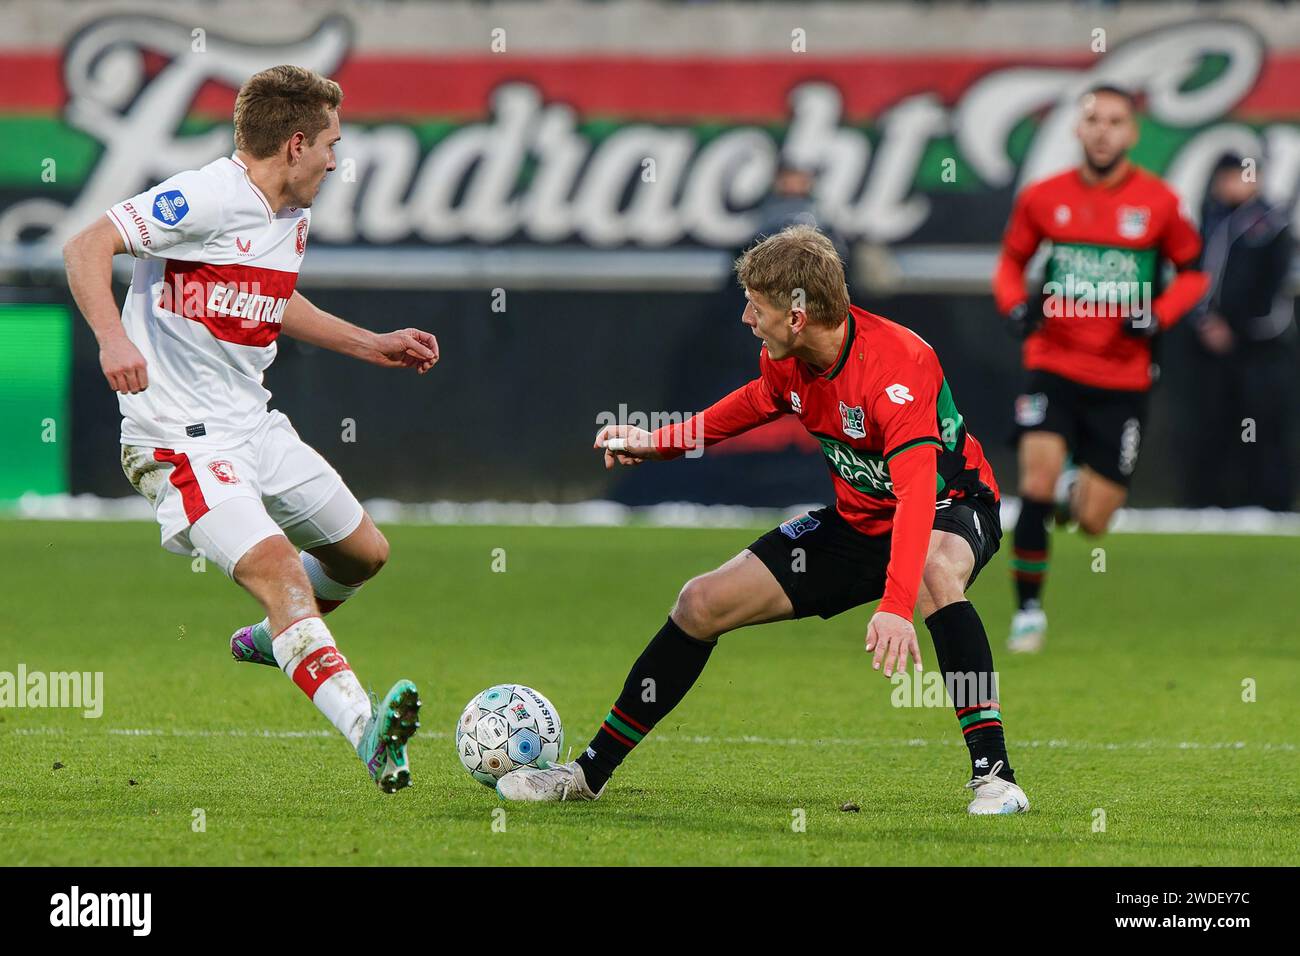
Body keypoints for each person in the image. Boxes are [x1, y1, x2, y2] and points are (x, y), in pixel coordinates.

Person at [497, 224, 1030, 815]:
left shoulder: (898, 371)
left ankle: (996, 777)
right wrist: (659, 443)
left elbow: (911, 501)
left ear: (797, 316)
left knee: (933, 572)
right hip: (858, 524)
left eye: (756, 308)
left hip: (949, 507)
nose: (747, 319)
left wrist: (894, 608)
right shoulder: (788, 358)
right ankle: (587, 773)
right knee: (699, 603)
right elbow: (753, 404)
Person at [62, 65, 438, 793]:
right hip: (177, 437)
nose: (337, 158)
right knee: (283, 574)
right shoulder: (206, 195)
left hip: (253, 425)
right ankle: (366, 729)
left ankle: (278, 640)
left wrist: (369, 342)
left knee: (363, 555)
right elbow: (86, 246)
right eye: (331, 142)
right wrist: (113, 339)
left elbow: (268, 298)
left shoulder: (288, 214)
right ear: (296, 143)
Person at [992, 84, 1209, 653]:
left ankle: (1071, 489)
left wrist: (1159, 315)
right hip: (1053, 365)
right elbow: (1010, 264)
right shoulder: (1044, 197)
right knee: (1033, 484)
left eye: (1115, 120)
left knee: (1094, 522)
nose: (1104, 130)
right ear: (1078, 128)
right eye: (1093, 119)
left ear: (1132, 133)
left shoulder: (1159, 202)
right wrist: (1015, 306)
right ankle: (1029, 613)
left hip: (1123, 379)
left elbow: (1194, 272)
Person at [1180, 152, 1297, 511]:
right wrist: (1204, 322)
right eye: (1225, 177)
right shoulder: (1211, 222)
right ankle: (1213, 504)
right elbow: (1195, 279)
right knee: (1215, 428)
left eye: (1238, 177)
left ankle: (1269, 504)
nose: (1230, 185)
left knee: (1262, 427)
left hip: (1260, 349)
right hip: (1213, 349)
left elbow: (1274, 293)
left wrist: (1237, 328)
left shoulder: (1272, 226)